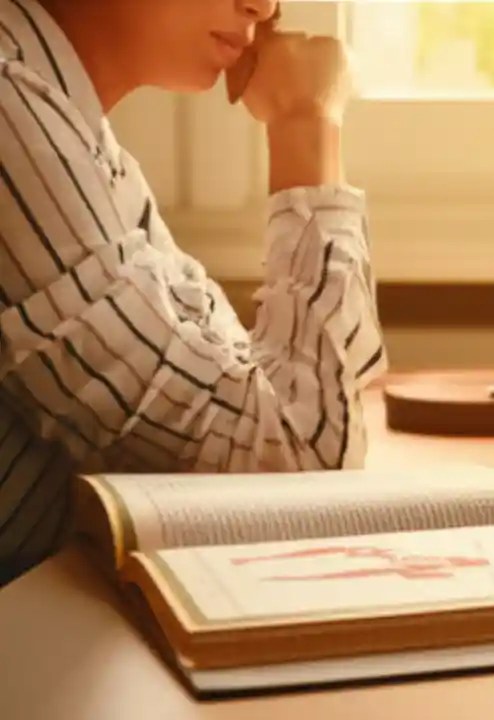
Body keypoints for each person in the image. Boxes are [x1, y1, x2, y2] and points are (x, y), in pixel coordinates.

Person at [0, 0, 387, 586]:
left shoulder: (76, 135)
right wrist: (305, 121)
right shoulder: (9, 115)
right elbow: (300, 467)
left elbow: (252, 401)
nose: (265, 6)